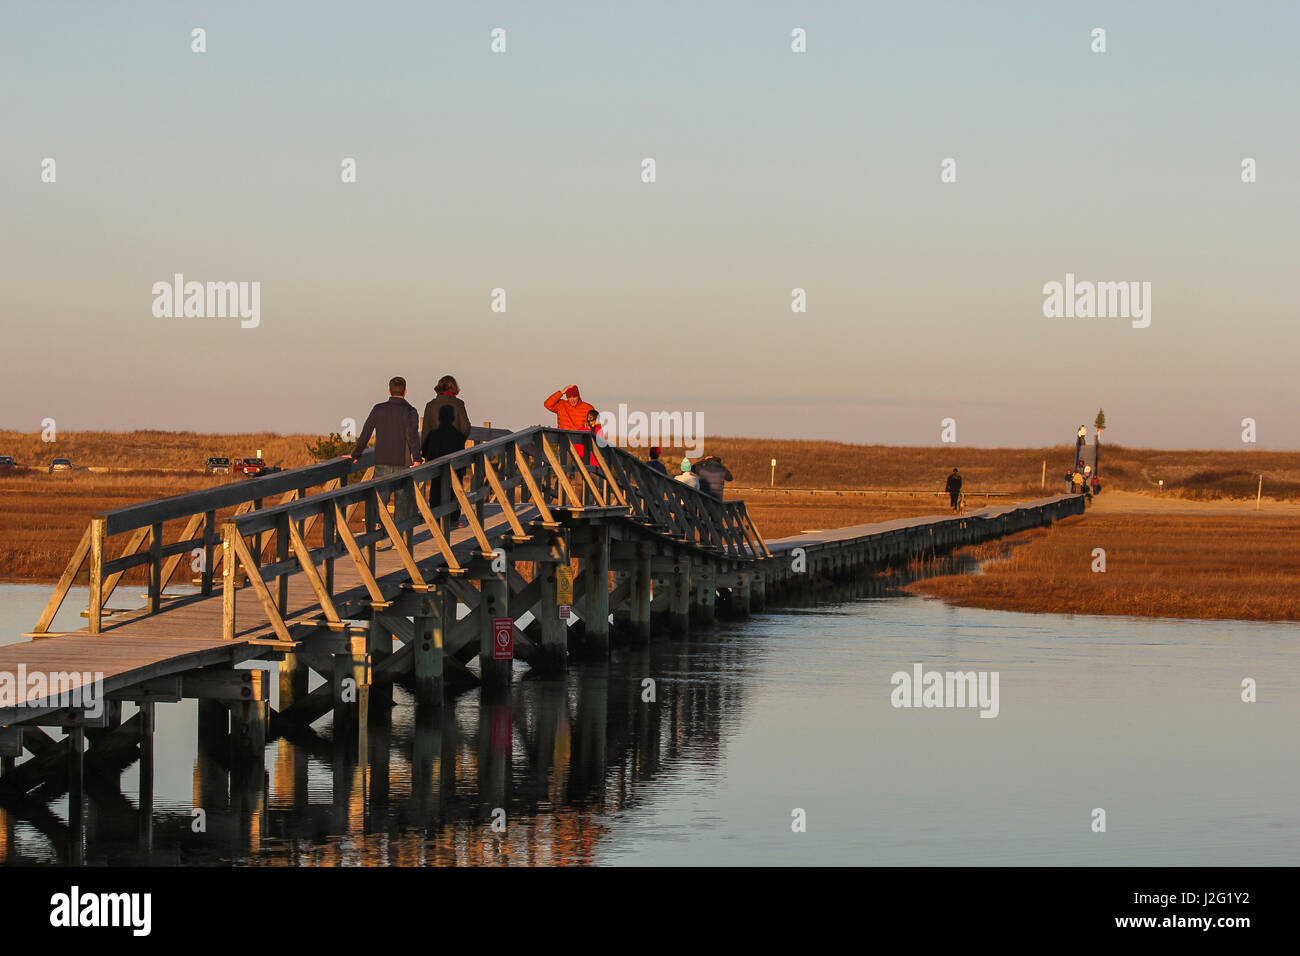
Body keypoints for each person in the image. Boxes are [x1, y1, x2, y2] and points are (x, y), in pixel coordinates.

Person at [348, 376, 422, 545]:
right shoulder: (410, 411)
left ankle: (374, 533)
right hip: (402, 462)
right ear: (405, 391)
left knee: (379, 499)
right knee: (402, 502)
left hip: (382, 460)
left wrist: (355, 454)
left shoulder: (378, 409)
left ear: (389, 391)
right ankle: (400, 540)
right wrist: (417, 458)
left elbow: (366, 433)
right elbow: (412, 437)